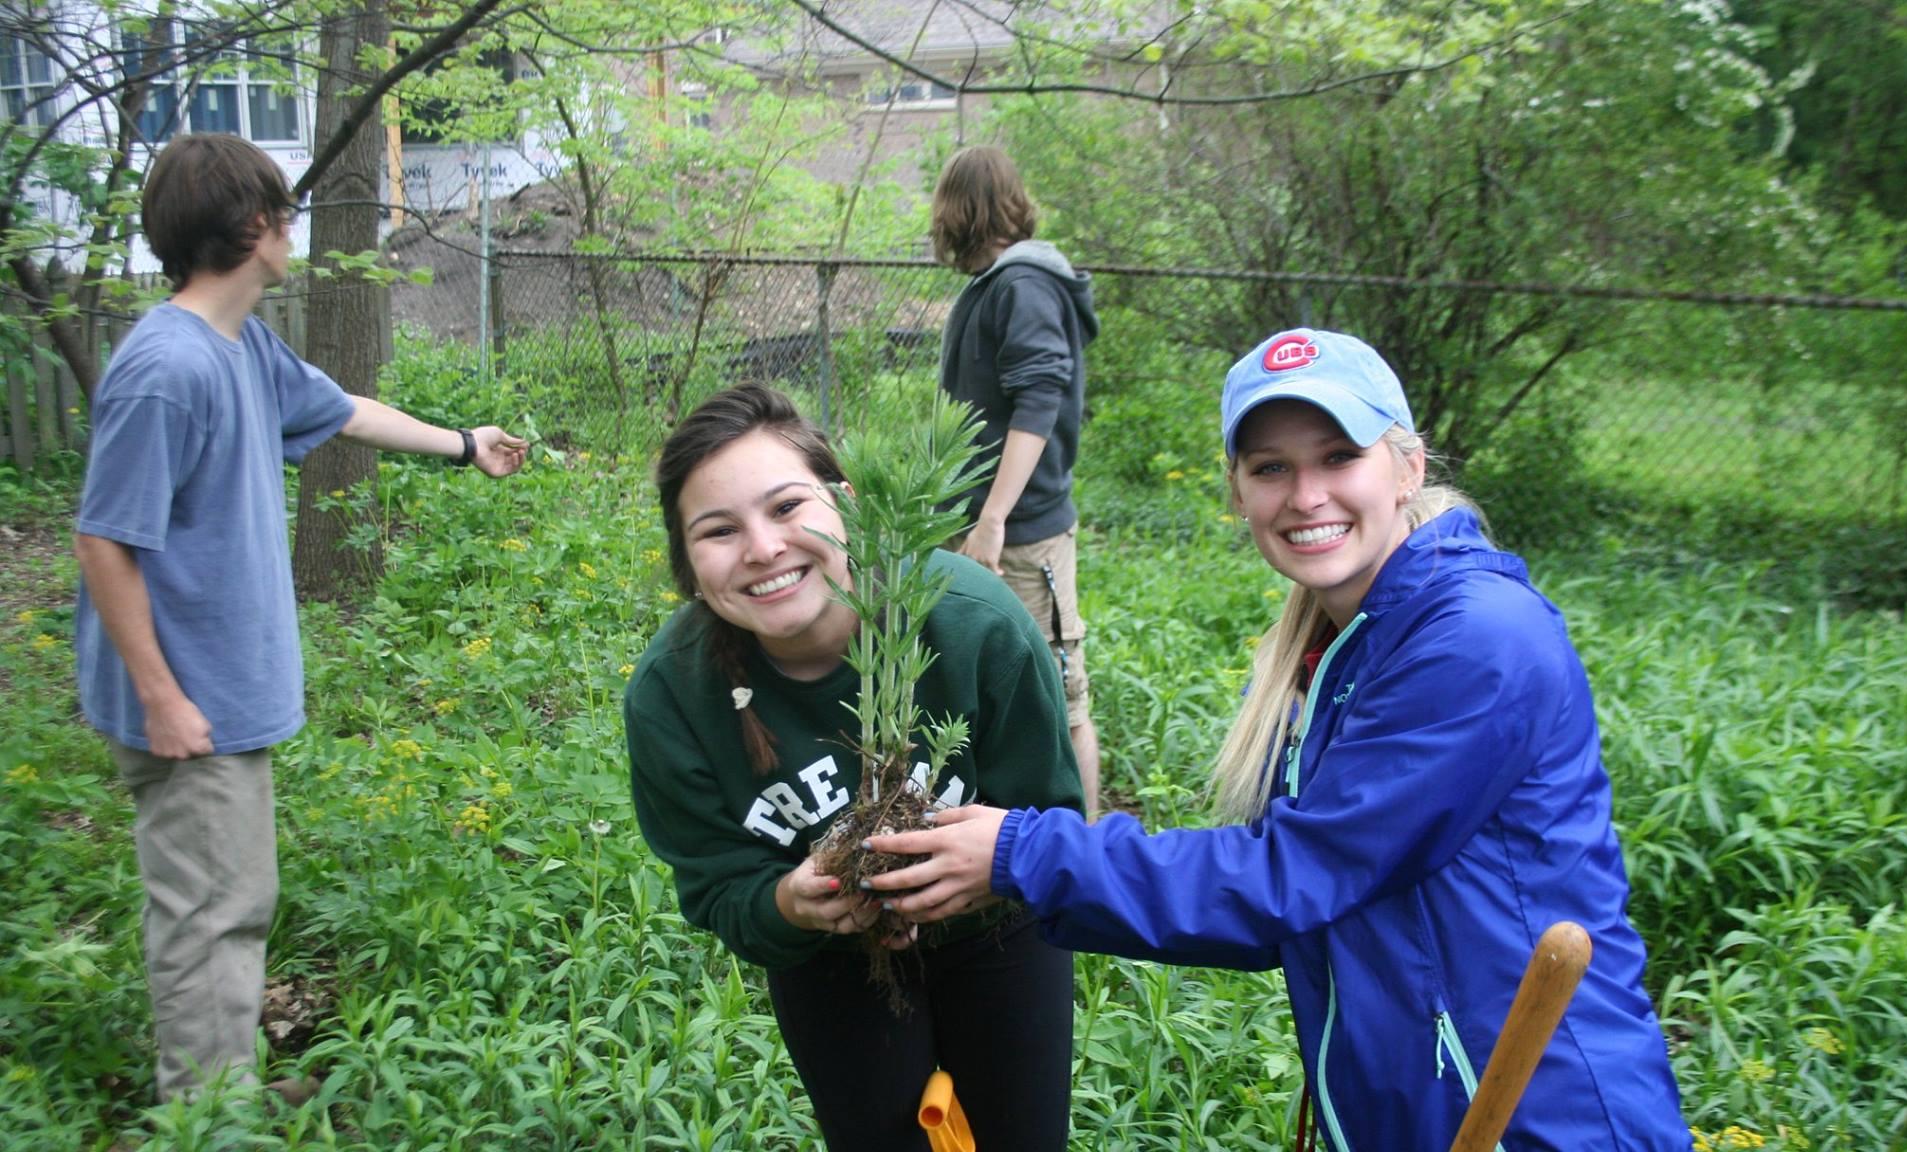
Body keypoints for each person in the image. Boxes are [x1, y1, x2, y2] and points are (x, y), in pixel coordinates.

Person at [866, 330, 1692, 1150]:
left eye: (1339, 456)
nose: (1306, 495)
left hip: (1534, 1112)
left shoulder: (1477, 639)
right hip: (1428, 1097)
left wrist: (1025, 853)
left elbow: (1295, 877)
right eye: (1271, 468)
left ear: (1408, 467)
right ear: (1238, 491)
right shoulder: (1349, 643)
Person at [73, 133, 529, 1103]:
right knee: (212, 910)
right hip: (187, 701)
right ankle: (206, 1114)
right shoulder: (166, 369)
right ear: (254, 227)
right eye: (284, 209)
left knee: (234, 899)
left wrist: (462, 443)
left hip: (221, 690)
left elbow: (345, 410)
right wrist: (160, 697)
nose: (295, 226)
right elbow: (103, 541)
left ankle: (217, 1082)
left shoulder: (239, 345)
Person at [624, 384, 1084, 1151]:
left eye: (785, 507)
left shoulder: (975, 626)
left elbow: (1055, 820)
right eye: (717, 530)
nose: (763, 548)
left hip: (1001, 933)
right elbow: (717, 887)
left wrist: (995, 866)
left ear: (846, 502)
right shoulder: (673, 696)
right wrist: (789, 904)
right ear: (686, 562)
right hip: (830, 955)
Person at [930, 144, 1102, 816]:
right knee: (986, 688)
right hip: (980, 533)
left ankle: (1082, 861)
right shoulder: (997, 285)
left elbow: (1041, 399)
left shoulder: (1023, 286)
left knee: (1060, 698)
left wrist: (994, 520)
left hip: (1021, 538)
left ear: (958, 211)